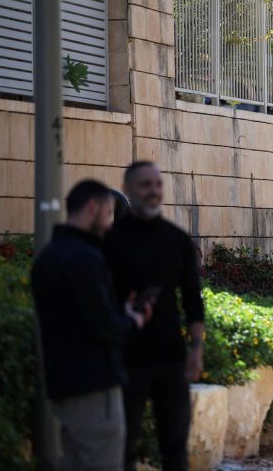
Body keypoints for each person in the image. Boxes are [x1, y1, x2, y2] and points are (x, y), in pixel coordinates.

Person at [31, 179, 151, 471]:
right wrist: (133, 319)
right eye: (110, 214)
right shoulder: (86, 259)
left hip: (64, 384)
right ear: (93, 208)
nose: (112, 223)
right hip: (95, 386)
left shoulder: (47, 257)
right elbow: (106, 327)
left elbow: (78, 316)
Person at [104, 162, 205, 471]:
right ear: (130, 190)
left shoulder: (176, 240)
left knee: (175, 447)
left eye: (158, 185)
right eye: (145, 185)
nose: (153, 191)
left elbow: (192, 299)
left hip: (170, 356)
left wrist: (197, 349)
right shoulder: (111, 242)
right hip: (126, 358)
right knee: (122, 446)